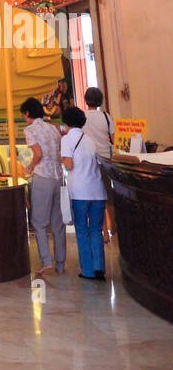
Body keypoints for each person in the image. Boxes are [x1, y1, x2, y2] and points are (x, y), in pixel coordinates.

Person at [21, 96, 66, 278]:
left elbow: (37, 154)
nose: (24, 117)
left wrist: (30, 167)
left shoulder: (30, 129)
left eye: (24, 114)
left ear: (28, 113)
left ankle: (46, 261)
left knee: (38, 222)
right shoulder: (53, 128)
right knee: (57, 223)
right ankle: (60, 263)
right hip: (57, 177)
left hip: (42, 177)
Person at [61, 105, 107, 281]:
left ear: (66, 122)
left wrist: (63, 159)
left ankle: (87, 270)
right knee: (96, 230)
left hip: (80, 191)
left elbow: (69, 165)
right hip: (98, 191)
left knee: (81, 230)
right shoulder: (89, 139)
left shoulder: (66, 140)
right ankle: (99, 268)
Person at [82, 85, 115, 242]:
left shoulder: (81, 118)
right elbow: (113, 140)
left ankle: (102, 233)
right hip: (105, 161)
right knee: (108, 197)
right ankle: (113, 229)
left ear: (86, 100)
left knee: (95, 198)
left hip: (89, 163)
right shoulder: (107, 117)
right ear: (100, 101)